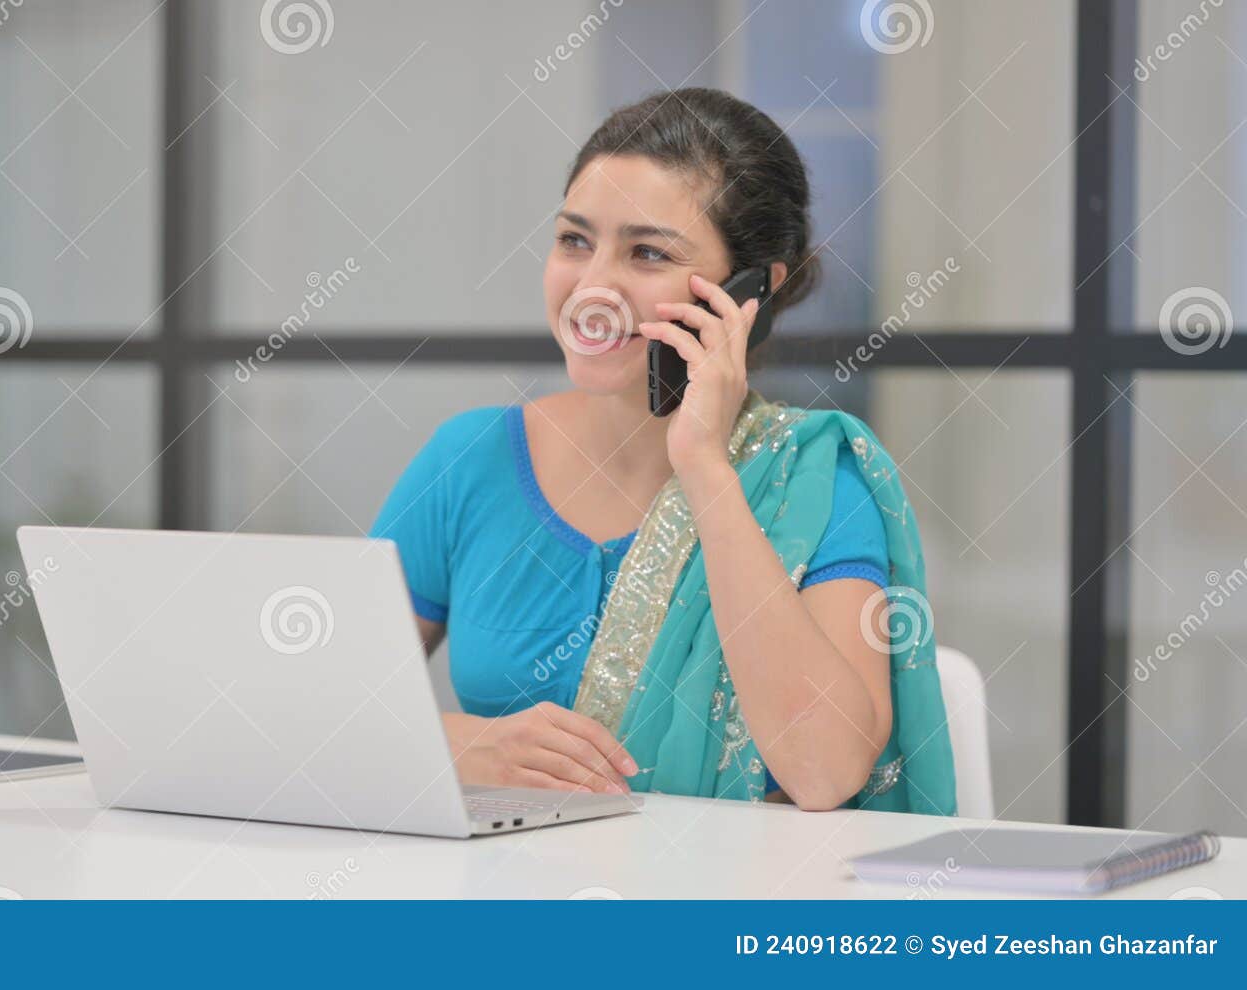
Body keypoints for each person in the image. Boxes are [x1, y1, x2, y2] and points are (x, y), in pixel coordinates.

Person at [370, 88, 955, 814]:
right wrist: (461, 745)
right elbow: (312, 711)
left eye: (647, 253)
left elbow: (825, 770)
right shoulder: (471, 458)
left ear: (752, 292)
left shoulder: (813, 475)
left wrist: (706, 468)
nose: (592, 289)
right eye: (574, 240)